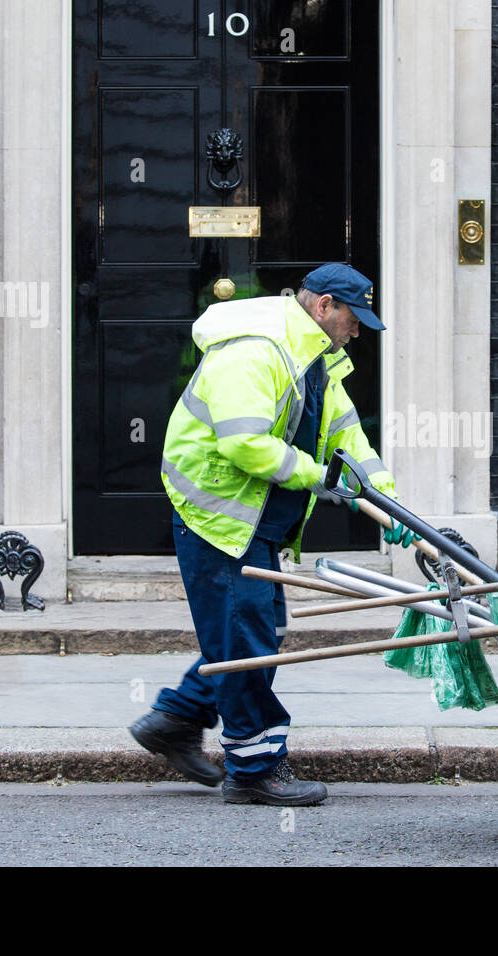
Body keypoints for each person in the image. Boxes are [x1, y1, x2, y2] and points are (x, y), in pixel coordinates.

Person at [129, 263, 414, 806]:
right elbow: (245, 444)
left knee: (257, 629)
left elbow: (348, 437)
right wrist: (321, 477)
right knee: (246, 640)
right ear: (325, 306)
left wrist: (390, 504)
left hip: (254, 520)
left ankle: (175, 718)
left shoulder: (317, 361)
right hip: (219, 515)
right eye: (355, 319)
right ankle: (254, 767)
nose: (358, 332)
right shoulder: (257, 349)